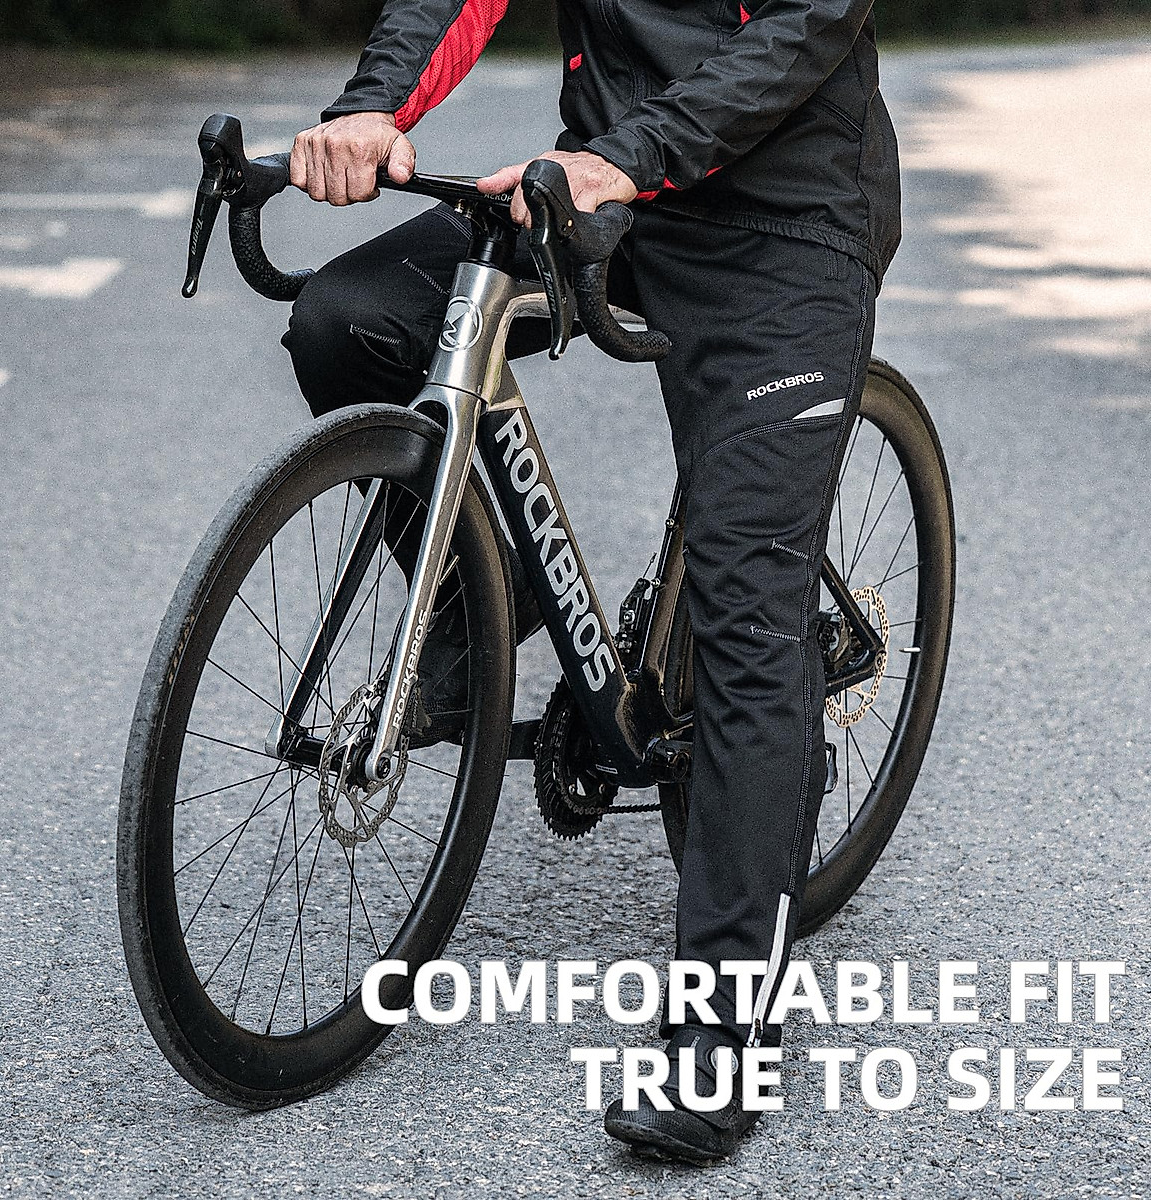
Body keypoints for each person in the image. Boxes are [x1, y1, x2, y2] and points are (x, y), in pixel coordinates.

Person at [282, 0, 900, 1166]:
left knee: (745, 602)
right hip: (596, 196)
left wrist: (626, 154)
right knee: (349, 322)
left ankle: (722, 1036)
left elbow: (806, 23)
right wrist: (373, 108)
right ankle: (474, 617)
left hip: (785, 223)